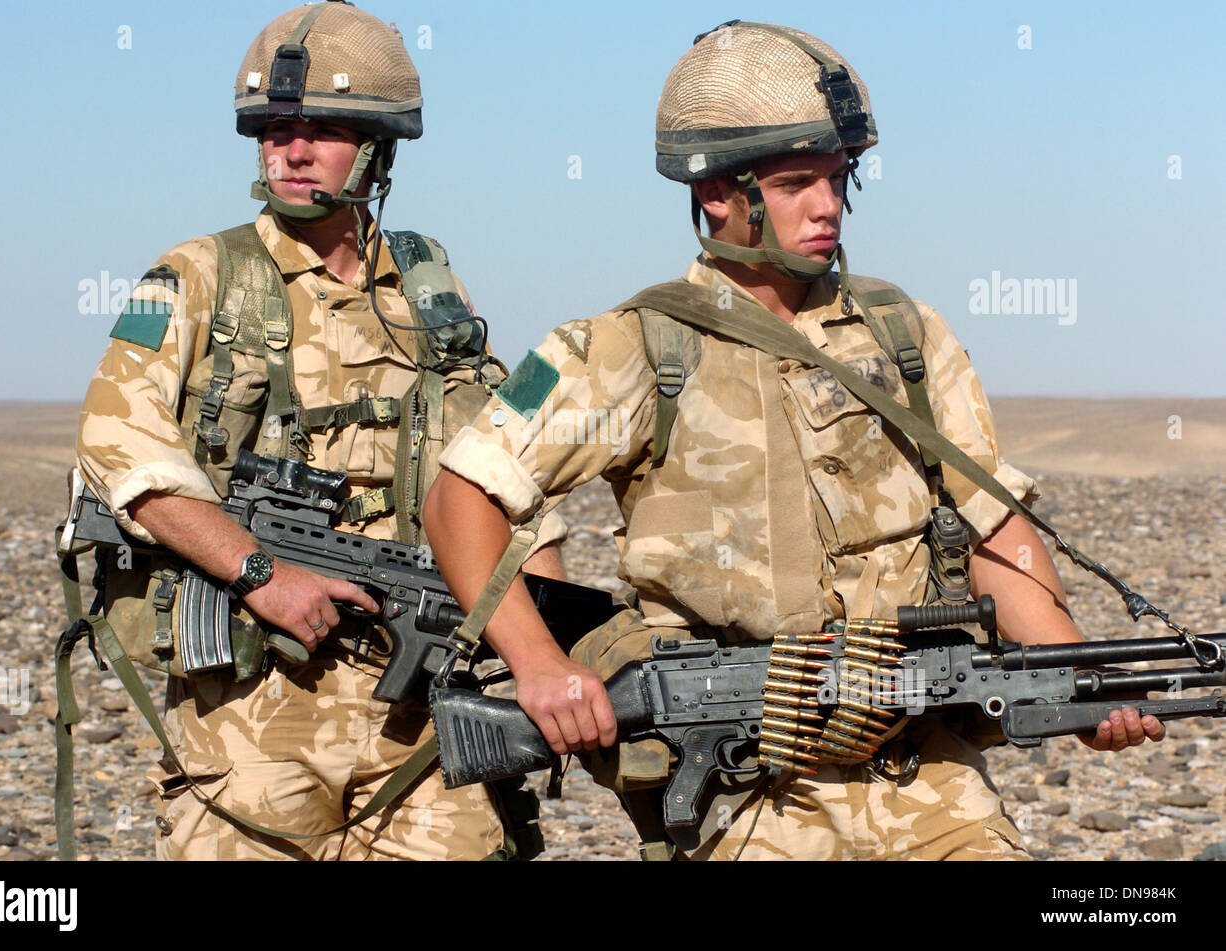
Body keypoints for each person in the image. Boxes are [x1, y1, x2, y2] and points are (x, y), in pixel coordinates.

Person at [421, 20, 1163, 860]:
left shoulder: (905, 336)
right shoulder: (624, 348)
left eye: (839, 177)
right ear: (717, 195)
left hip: (920, 768)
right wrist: (537, 664)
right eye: (796, 181)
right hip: (748, 791)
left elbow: (992, 530)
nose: (828, 205)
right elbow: (461, 495)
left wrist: (1076, 681)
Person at [75, 1, 563, 860]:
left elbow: (505, 465)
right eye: (273, 129)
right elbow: (117, 441)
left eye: (322, 129)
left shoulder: (429, 286)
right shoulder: (198, 273)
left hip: (418, 710)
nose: (290, 150)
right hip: (251, 710)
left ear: (380, 146)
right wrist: (260, 571)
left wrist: (548, 643)